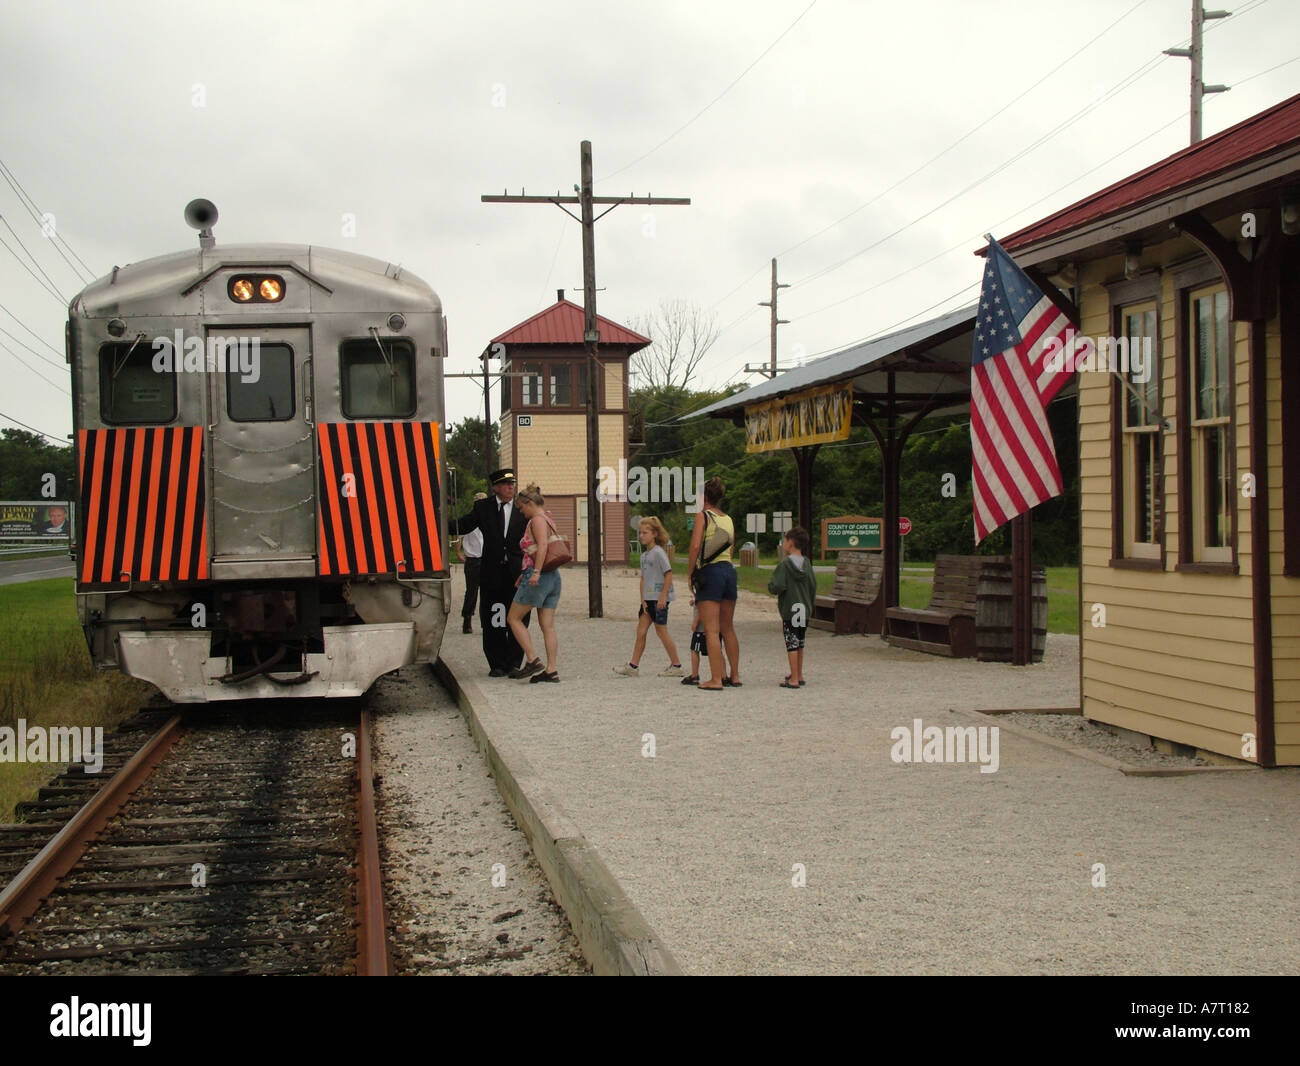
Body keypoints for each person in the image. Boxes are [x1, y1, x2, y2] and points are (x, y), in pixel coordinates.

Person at [456, 469, 530, 676]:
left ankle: (514, 661)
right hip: (492, 573)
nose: (510, 487)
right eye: (506, 484)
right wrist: (437, 522)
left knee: (518, 617)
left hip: (516, 573)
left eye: (512, 484)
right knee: (493, 618)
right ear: (495, 487)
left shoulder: (520, 508)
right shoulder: (483, 507)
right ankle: (497, 663)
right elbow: (463, 525)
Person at [685, 476, 740, 691]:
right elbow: (732, 549)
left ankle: (716, 679)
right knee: (728, 628)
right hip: (728, 571)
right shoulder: (728, 519)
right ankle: (734, 675)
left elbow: (695, 545)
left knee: (711, 629)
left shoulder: (703, 516)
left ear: (704, 497)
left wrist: (691, 573)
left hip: (711, 572)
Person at [614, 516, 683, 677]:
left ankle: (677, 665)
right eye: (640, 533)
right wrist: (643, 599)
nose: (641, 536)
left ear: (654, 534)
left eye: (645, 532)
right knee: (641, 631)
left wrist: (663, 597)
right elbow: (643, 578)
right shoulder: (644, 556)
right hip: (648, 600)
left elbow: (668, 574)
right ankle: (633, 666)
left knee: (661, 631)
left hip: (659, 599)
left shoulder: (659, 553)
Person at [507, 484, 561, 682]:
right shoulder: (548, 519)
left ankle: (532, 659)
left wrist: (535, 572)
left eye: (522, 507)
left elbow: (542, 546)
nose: (521, 512)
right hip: (553, 576)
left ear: (530, 504)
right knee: (548, 625)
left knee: (513, 618)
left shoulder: (536, 520)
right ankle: (551, 669)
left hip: (540, 576)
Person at [768, 526, 816, 688]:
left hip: (790, 608)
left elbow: (777, 585)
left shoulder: (785, 565)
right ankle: (799, 673)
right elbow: (812, 586)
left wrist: (772, 586)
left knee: (791, 643)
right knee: (800, 642)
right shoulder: (807, 564)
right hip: (804, 608)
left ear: (790, 543)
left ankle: (794, 678)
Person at [680, 596, 730, 686]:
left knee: (694, 649)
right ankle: (724, 676)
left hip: (702, 627)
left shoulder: (704, 589)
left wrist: (696, 621)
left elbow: (703, 606)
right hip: (716, 624)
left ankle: (694, 676)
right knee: (718, 650)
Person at [458, 492, 487, 634]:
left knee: (488, 592)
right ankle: (467, 619)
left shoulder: (490, 519)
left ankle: (486, 622)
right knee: (471, 592)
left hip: (487, 560)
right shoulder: (469, 520)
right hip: (473, 560)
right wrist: (458, 552)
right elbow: (458, 535)